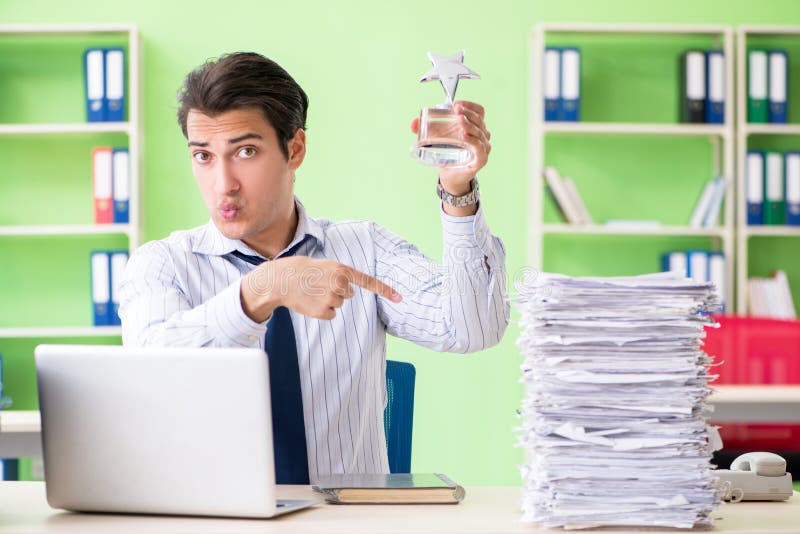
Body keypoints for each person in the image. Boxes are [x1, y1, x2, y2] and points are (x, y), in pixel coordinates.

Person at [118, 52, 509, 484]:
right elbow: (148, 374)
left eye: (245, 151)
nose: (223, 183)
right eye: (204, 156)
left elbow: (471, 328)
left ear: (295, 149)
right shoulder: (163, 265)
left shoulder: (365, 249)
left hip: (348, 523)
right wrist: (262, 290)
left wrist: (459, 192)